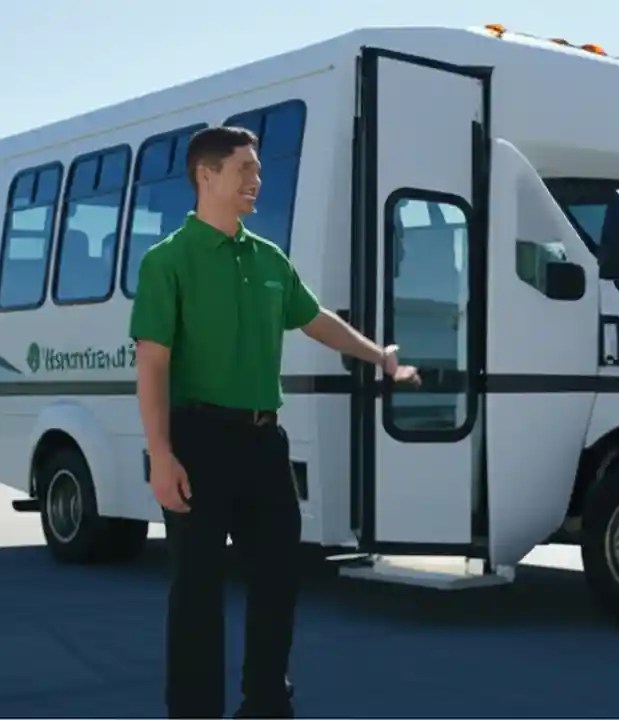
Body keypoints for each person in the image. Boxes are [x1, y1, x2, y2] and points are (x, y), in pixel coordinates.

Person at [129, 124, 420, 718]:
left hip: (264, 442)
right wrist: (160, 453)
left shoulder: (267, 258)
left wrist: (379, 356)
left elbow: (316, 321)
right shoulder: (168, 262)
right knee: (198, 593)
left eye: (258, 169)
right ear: (205, 176)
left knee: (278, 580)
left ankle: (266, 704)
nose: (256, 180)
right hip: (197, 440)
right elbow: (152, 363)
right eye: (244, 169)